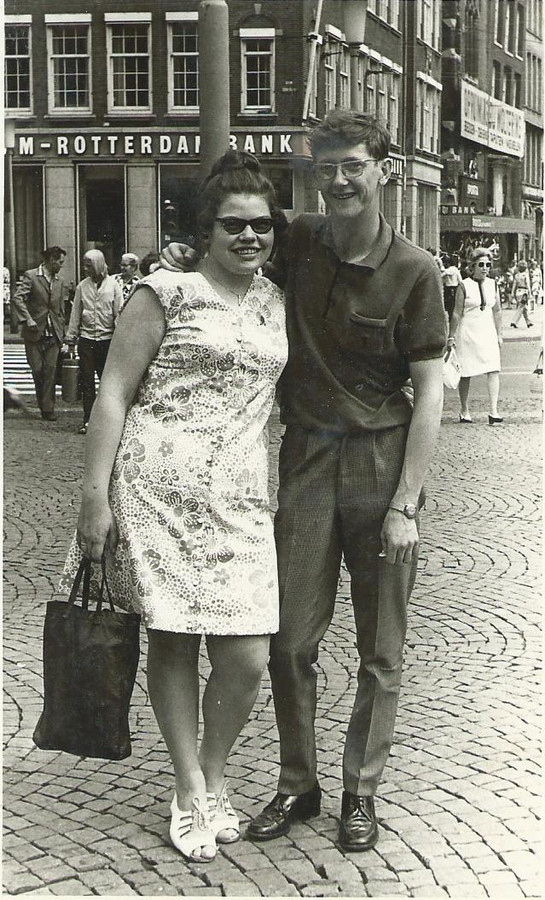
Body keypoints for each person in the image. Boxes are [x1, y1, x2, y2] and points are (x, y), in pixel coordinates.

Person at [161, 110, 447, 851]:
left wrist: (405, 505)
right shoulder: (300, 242)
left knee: (380, 649)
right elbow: (232, 221)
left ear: (382, 168)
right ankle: (299, 783)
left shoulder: (414, 269)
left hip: (381, 464)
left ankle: (360, 791)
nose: (341, 181)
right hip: (307, 461)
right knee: (289, 642)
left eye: (354, 165)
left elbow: (430, 394)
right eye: (327, 169)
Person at [60, 151, 288, 863]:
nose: (249, 237)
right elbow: (112, 395)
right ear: (204, 228)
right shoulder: (162, 294)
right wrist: (93, 497)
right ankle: (191, 788)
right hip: (154, 491)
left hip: (243, 499)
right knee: (173, 637)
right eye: (233, 224)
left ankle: (213, 775)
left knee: (247, 653)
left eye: (261, 225)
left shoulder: (276, 300)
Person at [64, 250, 123, 434]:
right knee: (87, 382)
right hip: (87, 340)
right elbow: (75, 315)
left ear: (98, 264)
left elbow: (118, 313)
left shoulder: (113, 285)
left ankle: (107, 421)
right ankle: (88, 420)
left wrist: (120, 339)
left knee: (107, 382)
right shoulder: (83, 286)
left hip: (107, 340)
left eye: (89, 265)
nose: (85, 268)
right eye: (84, 264)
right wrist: (71, 338)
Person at [447, 247, 503, 424]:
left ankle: (493, 411)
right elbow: (456, 313)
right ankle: (464, 410)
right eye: (481, 264)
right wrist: (451, 336)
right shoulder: (464, 285)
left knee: (494, 369)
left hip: (488, 332)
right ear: (473, 266)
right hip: (468, 333)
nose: (485, 268)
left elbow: (498, 311)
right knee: (466, 371)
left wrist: (500, 333)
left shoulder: (493, 284)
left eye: (488, 264)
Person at [11, 246, 68, 421]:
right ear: (51, 260)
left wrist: (64, 334)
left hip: (54, 333)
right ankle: (43, 403)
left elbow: (60, 309)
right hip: (34, 332)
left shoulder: (59, 281)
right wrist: (27, 318)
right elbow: (18, 298)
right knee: (37, 370)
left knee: (50, 370)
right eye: (60, 262)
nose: (61, 265)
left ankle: (47, 409)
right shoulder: (32, 276)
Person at [510, 260, 533, 329]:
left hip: (518, 292)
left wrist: (512, 293)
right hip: (524, 292)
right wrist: (530, 293)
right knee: (521, 307)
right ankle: (514, 321)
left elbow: (514, 284)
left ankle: (528, 322)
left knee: (524, 308)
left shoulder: (516, 275)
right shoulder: (525, 275)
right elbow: (528, 284)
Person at [441, 253, 463, 322]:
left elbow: (442, 275)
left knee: (450, 305)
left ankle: (451, 318)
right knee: (452, 304)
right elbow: (460, 280)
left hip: (450, 288)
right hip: (454, 288)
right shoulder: (455, 269)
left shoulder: (451, 269)